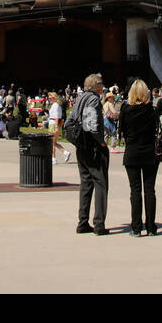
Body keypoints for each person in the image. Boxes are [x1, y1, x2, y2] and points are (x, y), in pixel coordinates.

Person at [119, 79, 161, 236]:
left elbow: (121, 130)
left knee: (135, 190)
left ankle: (136, 227)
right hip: (150, 152)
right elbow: (155, 128)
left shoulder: (125, 110)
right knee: (150, 190)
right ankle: (151, 227)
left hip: (132, 152)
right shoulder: (152, 110)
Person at [71, 73, 108, 235]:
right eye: (100, 83)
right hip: (93, 147)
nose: (103, 86)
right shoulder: (93, 99)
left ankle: (83, 221)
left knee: (85, 183)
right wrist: (101, 141)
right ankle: (99, 224)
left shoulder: (80, 99)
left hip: (81, 146)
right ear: (95, 86)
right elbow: (91, 124)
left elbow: (69, 121)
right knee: (101, 184)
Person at [47, 93, 72, 163]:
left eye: (51, 98)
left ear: (54, 98)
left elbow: (56, 116)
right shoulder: (57, 105)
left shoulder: (55, 105)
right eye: (49, 98)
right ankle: (65, 152)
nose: (49, 99)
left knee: (51, 142)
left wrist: (55, 127)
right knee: (54, 142)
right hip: (54, 124)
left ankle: (53, 158)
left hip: (53, 124)